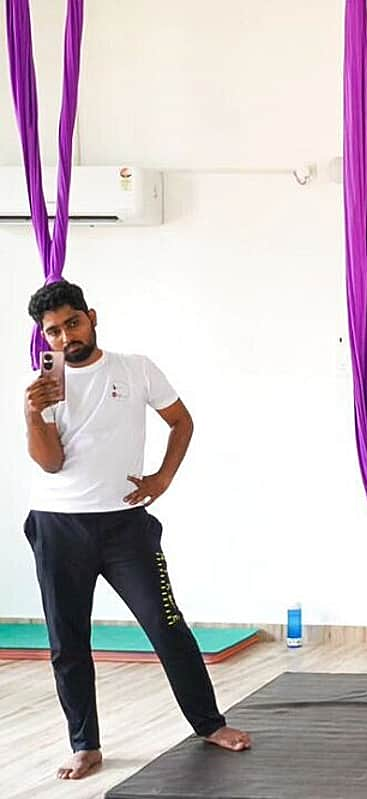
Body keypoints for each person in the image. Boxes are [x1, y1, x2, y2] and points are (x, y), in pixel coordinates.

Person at [22, 280, 251, 781]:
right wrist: (33, 413)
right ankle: (85, 745)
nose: (65, 338)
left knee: (167, 626)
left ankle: (209, 723)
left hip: (125, 527)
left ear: (92, 316)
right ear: (45, 338)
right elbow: (51, 463)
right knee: (68, 641)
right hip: (58, 526)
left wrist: (162, 478)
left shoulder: (136, 368)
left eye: (73, 323)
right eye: (53, 332)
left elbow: (181, 421)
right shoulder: (43, 387)